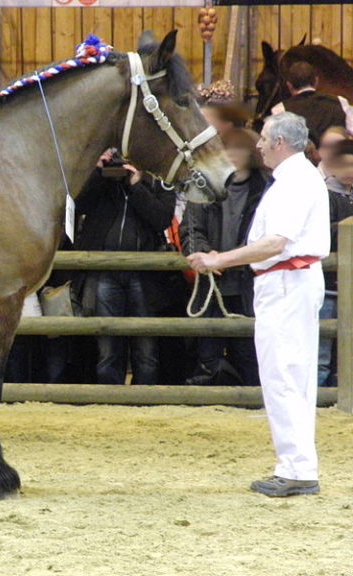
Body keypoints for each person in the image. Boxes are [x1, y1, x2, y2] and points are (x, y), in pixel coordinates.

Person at [188, 112, 329, 497]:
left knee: (283, 376)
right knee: (289, 376)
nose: (259, 144)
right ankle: (297, 465)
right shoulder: (293, 178)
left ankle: (296, 468)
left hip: (286, 279)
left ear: (281, 142)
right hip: (286, 280)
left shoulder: (294, 182)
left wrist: (218, 259)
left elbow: (274, 243)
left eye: (265, 138)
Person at [76, 148, 175, 385]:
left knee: (146, 348)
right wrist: (98, 173)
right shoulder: (101, 181)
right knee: (107, 346)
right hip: (104, 270)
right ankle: (110, 402)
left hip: (145, 273)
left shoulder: (158, 179)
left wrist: (136, 185)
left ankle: (144, 403)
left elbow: (161, 218)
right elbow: (79, 205)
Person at [181, 128, 269, 387]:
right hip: (211, 284)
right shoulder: (204, 185)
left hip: (250, 285)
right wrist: (203, 254)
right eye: (228, 148)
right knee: (206, 354)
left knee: (249, 354)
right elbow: (190, 228)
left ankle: (254, 406)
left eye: (239, 149)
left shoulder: (266, 189)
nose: (233, 155)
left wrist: (234, 258)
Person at [318, 139, 353, 387]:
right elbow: (318, 236)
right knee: (321, 353)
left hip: (347, 285)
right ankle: (317, 402)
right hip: (328, 284)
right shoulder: (321, 195)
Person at [272, 62, 346, 147]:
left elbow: (277, 145)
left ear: (289, 85)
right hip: (335, 159)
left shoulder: (279, 110)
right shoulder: (340, 102)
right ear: (316, 81)